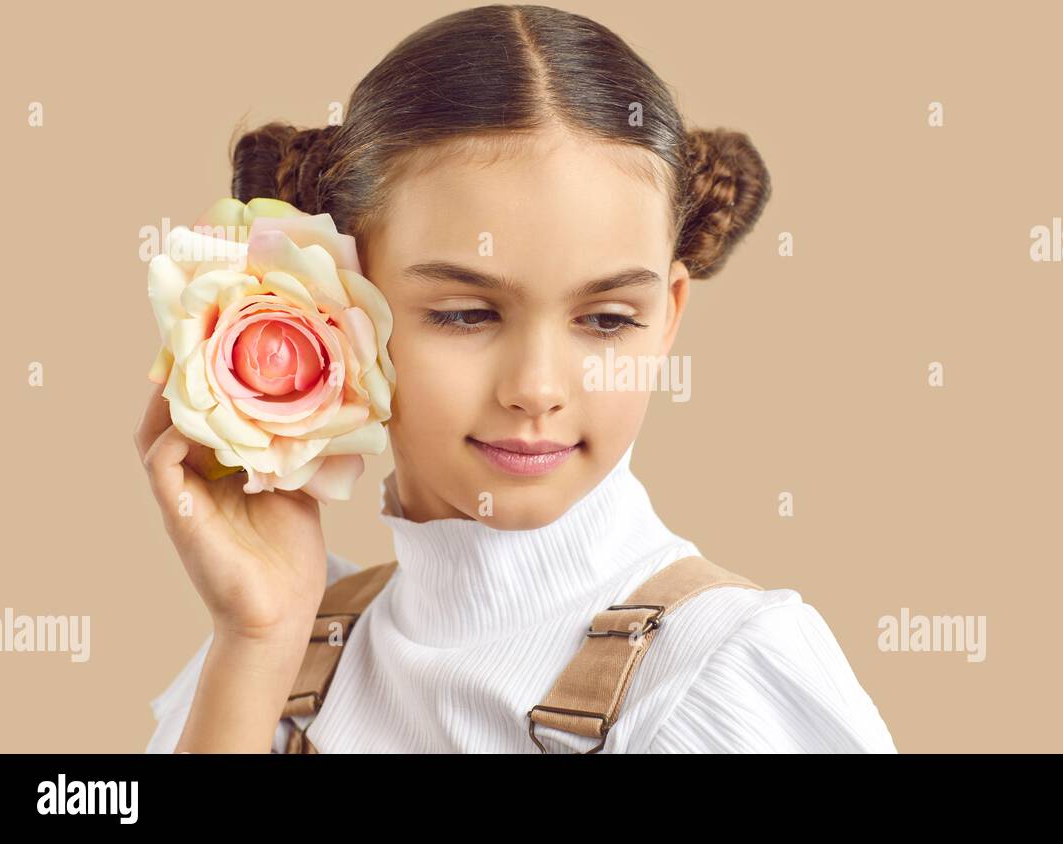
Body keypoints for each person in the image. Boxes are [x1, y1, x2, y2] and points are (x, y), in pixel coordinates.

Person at [133, 3, 897, 754]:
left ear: (667, 316)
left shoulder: (720, 674)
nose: (536, 389)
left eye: (605, 320)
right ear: (335, 299)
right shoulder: (280, 648)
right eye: (468, 314)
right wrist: (257, 640)